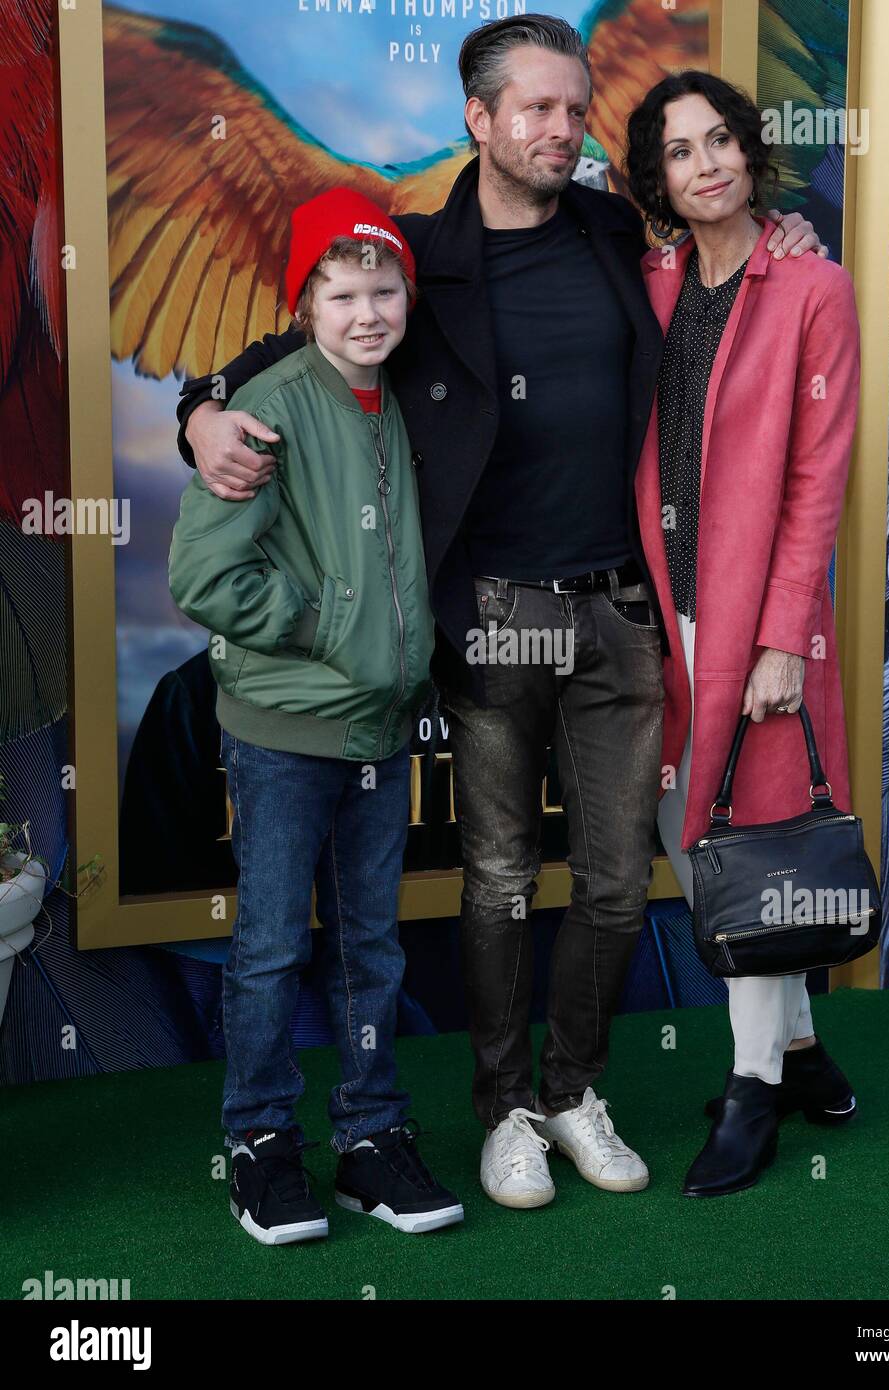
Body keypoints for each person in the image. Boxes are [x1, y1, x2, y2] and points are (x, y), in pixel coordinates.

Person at [174, 16, 823, 1210]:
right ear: (475, 120)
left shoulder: (614, 227)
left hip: (620, 609)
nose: (561, 130)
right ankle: (503, 1108)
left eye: (575, 110)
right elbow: (288, 347)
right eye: (534, 109)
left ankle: (574, 1089)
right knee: (498, 879)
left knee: (620, 883)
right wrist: (201, 415)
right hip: (484, 615)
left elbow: (730, 278)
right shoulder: (419, 256)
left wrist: (776, 232)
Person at [168, 188, 463, 1243]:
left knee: (371, 948)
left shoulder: (411, 402)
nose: (365, 312)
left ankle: (371, 1138)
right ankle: (257, 1141)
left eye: (382, 288)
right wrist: (328, 619)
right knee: (267, 948)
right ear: (305, 305)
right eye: (340, 293)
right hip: (283, 732)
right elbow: (202, 572)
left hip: (381, 733)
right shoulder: (266, 407)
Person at [625, 71, 861, 1197]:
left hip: (756, 621)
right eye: (677, 151)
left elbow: (817, 481)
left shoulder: (814, 285)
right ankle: (804, 1054)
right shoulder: (652, 278)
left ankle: (753, 1091)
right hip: (661, 613)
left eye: (718, 139)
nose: (703, 163)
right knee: (702, 837)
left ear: (750, 150)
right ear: (655, 179)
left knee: (750, 851)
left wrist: (778, 637)